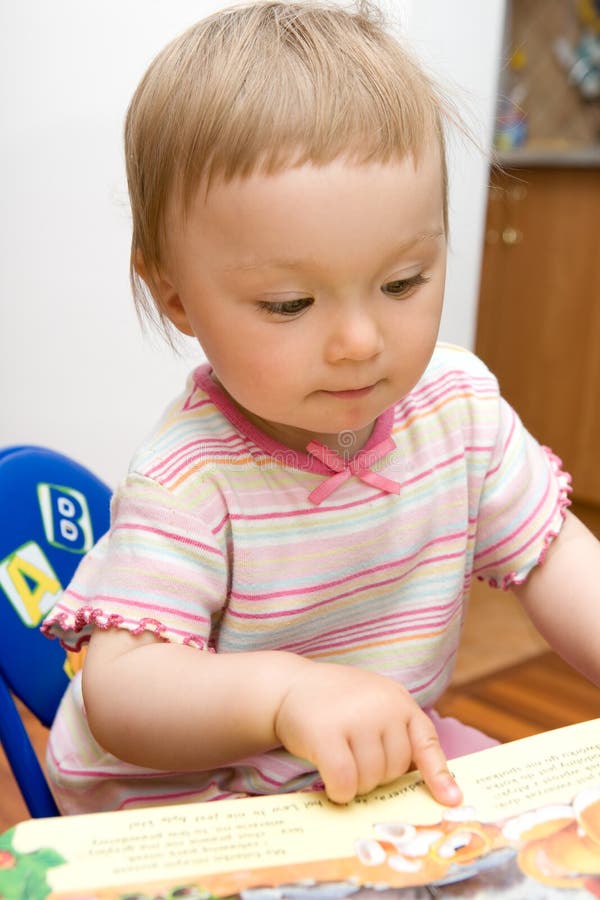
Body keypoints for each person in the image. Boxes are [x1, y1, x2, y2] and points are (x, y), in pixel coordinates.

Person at [43, 0, 600, 817]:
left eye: (403, 282)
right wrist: (281, 697)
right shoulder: (190, 478)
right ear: (176, 296)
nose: (359, 341)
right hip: (204, 798)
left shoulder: (458, 412)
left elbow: (558, 560)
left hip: (377, 763)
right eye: (290, 302)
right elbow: (122, 698)